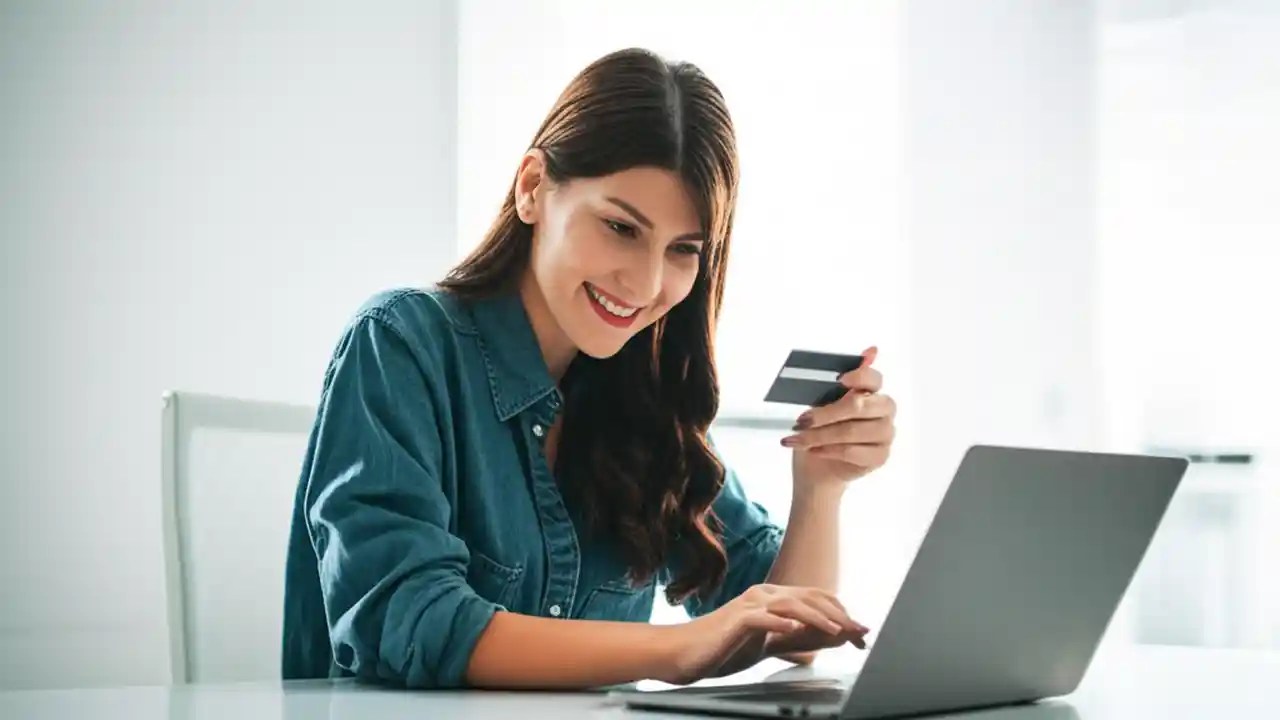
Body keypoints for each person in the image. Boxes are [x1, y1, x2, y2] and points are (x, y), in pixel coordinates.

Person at [281, 47, 897, 690]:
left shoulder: (646, 398)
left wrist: (822, 487)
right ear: (531, 189)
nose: (647, 284)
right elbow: (406, 622)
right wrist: (674, 649)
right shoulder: (401, 344)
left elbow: (783, 626)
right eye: (620, 228)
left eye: (682, 251)